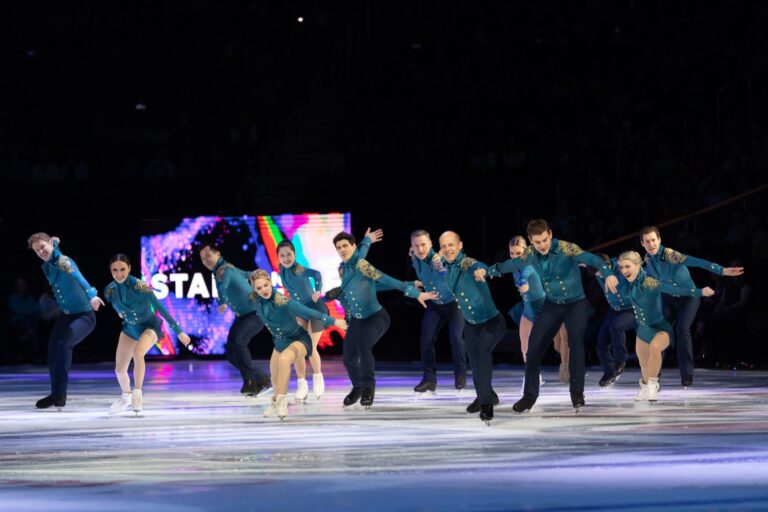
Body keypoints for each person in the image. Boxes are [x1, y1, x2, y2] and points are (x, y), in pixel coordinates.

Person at [478, 219, 618, 412]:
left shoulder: (566, 248)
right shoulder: (530, 253)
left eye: (544, 240)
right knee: (533, 346)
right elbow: (513, 263)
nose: (542, 245)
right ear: (530, 241)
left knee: (575, 342)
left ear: (550, 234)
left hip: (575, 303)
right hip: (552, 305)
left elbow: (592, 259)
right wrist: (491, 270)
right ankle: (529, 396)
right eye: (537, 242)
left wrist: (607, 272)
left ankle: (577, 393)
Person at [329, 231, 437, 409]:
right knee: (348, 358)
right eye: (338, 247)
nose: (342, 250)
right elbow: (363, 253)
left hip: (376, 317)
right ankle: (357, 387)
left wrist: (414, 291)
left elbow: (386, 280)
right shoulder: (346, 267)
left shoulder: (362, 265)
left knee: (364, 345)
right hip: (357, 320)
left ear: (353, 247)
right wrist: (367, 240)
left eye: (345, 246)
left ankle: (368, 389)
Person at [276, 228, 383, 400]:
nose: (286, 258)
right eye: (283, 256)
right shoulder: (281, 271)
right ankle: (302, 384)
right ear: (279, 258)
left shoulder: (298, 269)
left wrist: (318, 290)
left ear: (294, 254)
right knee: (297, 348)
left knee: (309, 347)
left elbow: (317, 274)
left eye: (289, 254)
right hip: (299, 310)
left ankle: (318, 378)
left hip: (316, 309)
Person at [639, 226, 744, 387]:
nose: (651, 244)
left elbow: (696, 261)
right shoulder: (647, 262)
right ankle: (654, 374)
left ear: (659, 240)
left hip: (690, 297)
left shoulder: (670, 255)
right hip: (668, 297)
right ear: (642, 244)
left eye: (654, 240)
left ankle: (687, 373)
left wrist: (722, 270)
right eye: (647, 241)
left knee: (682, 329)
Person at [249, 269, 348, 420]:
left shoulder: (283, 301)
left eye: (266, 285)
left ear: (270, 283)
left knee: (284, 360)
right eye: (259, 288)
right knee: (275, 380)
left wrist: (334, 321)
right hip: (280, 342)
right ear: (254, 290)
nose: (264, 290)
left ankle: (282, 401)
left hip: (299, 339)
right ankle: (276, 401)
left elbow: (309, 312)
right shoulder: (255, 300)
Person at [615, 251, 713, 401]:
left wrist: (699, 291)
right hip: (643, 329)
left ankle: (654, 385)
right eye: (621, 268)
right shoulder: (627, 283)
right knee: (643, 363)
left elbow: (674, 290)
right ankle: (646, 385)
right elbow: (607, 266)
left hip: (660, 327)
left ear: (637, 265)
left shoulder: (649, 282)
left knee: (656, 346)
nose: (624, 271)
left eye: (627, 266)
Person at [104, 254, 192, 414]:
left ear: (129, 268)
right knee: (119, 370)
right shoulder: (109, 290)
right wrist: (120, 312)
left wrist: (179, 331)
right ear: (110, 271)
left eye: (122, 269)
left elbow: (160, 308)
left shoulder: (141, 287)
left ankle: (137, 394)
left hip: (150, 327)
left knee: (138, 353)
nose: (119, 274)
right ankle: (126, 396)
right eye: (115, 270)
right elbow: (114, 304)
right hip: (130, 328)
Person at [27, 233, 103, 409]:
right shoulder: (50, 262)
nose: (40, 251)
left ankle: (59, 393)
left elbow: (79, 277)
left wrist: (92, 295)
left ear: (49, 244)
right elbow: (53, 252)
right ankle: (57, 395)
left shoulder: (64, 261)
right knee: (52, 349)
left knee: (63, 344)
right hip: (66, 316)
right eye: (37, 250)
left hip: (84, 316)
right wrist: (54, 243)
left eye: (42, 247)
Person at [440, 231, 507, 424]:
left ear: (460, 245)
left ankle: (487, 405)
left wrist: (483, 270)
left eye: (451, 245)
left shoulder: (468, 263)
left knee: (480, 353)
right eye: (444, 246)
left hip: (492, 322)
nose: (448, 249)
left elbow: (478, 265)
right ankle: (485, 395)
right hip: (472, 324)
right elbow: (433, 257)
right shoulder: (446, 265)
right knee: (473, 360)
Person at [199, 244, 271, 396]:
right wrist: (259, 275)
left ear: (217, 254)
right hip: (243, 315)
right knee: (231, 354)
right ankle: (261, 378)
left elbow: (223, 288)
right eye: (203, 258)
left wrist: (222, 302)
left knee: (238, 342)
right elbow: (247, 274)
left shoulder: (224, 271)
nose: (206, 260)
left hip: (255, 312)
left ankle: (250, 382)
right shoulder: (226, 269)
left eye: (208, 256)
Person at [409, 229, 467, 393]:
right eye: (416, 245)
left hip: (454, 303)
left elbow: (443, 270)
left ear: (430, 244)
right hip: (435, 305)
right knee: (426, 339)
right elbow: (420, 268)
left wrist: (441, 263)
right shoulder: (415, 257)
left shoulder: (437, 260)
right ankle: (429, 379)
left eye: (423, 245)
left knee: (456, 337)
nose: (420, 249)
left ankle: (461, 374)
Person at [506, 236, 569, 387]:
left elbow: (525, 276)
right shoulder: (514, 266)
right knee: (525, 345)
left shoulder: (529, 264)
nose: (515, 257)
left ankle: (567, 366)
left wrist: (523, 284)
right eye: (512, 253)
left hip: (543, 308)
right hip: (527, 309)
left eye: (518, 253)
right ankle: (534, 375)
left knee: (558, 344)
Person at [594, 254, 636, 387]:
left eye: (601, 271)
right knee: (601, 343)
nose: (599, 274)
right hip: (614, 310)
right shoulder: (597, 271)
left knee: (617, 326)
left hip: (632, 309)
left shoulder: (621, 268)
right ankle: (609, 372)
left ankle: (620, 361)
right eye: (597, 272)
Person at [8, 277, 39, 363]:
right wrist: (27, 311)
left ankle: (31, 355)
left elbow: (36, 309)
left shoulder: (29, 297)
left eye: (23, 284)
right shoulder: (13, 298)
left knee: (32, 324)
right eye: (19, 284)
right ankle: (28, 334)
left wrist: (28, 312)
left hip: (29, 321)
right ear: (16, 286)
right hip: (17, 321)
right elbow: (17, 310)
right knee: (28, 325)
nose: (21, 286)